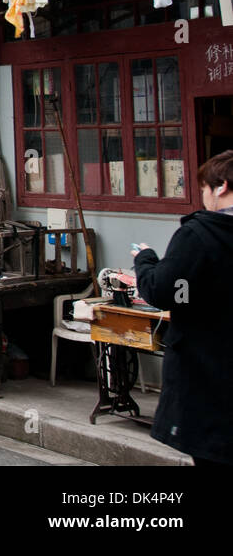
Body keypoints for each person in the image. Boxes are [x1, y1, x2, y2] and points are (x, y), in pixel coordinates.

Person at [133, 150, 233, 468]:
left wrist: (145, 260)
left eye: (204, 189)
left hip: (208, 375)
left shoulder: (200, 235)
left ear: (221, 186)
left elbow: (169, 292)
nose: (203, 198)